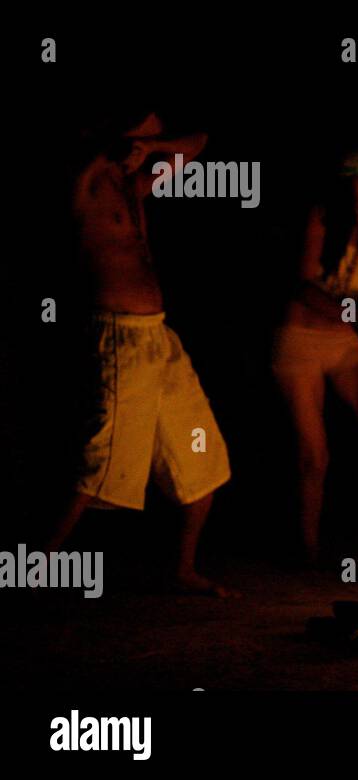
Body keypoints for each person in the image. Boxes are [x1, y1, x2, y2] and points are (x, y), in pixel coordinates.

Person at [47, 111, 233, 596]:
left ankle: (185, 569)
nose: (154, 142)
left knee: (202, 456)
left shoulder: (134, 185)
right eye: (147, 132)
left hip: (159, 337)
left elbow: (198, 142)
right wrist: (124, 142)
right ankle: (40, 564)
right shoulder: (85, 182)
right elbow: (89, 147)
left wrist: (151, 148)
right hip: (119, 336)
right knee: (102, 458)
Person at [272, 103, 358, 584]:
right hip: (301, 339)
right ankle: (306, 550)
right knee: (316, 454)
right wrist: (356, 318)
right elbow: (304, 285)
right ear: (347, 180)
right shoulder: (321, 216)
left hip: (347, 341)